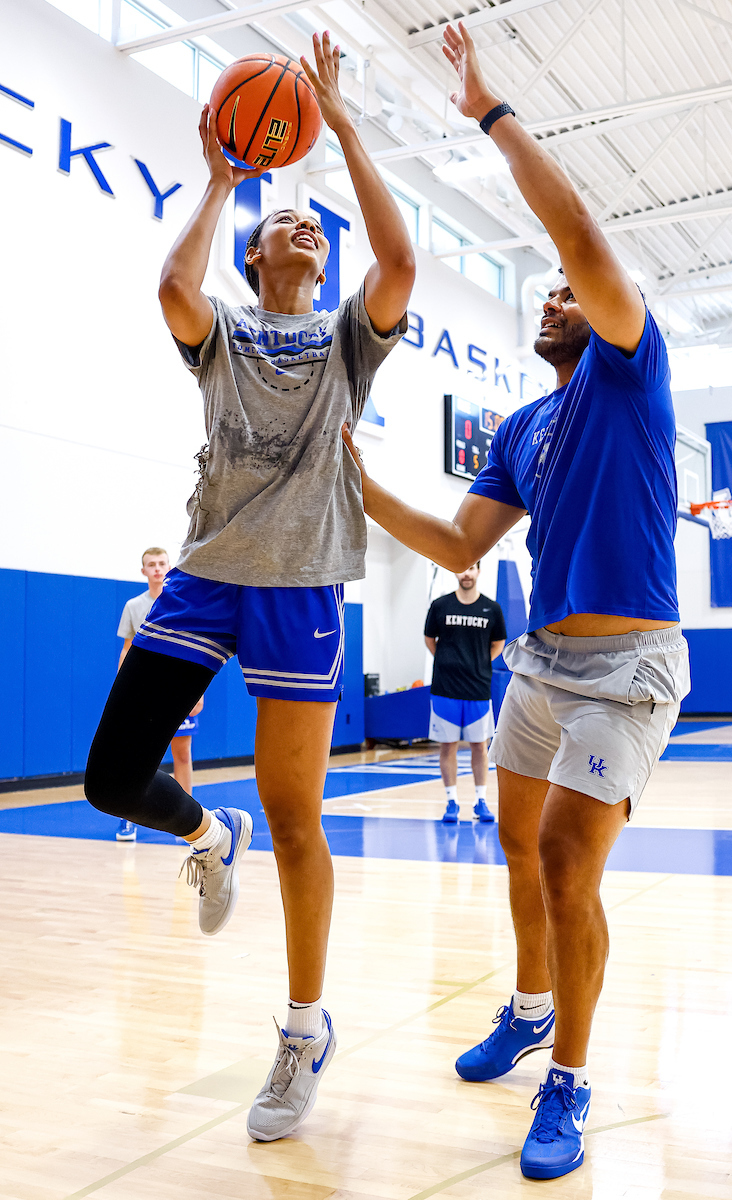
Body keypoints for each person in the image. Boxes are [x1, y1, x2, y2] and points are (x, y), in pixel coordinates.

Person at [341, 22, 689, 1181]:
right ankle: (530, 1008)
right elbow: (454, 538)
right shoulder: (524, 428)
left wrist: (488, 113)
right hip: (536, 666)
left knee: (563, 862)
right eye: (541, 295)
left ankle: (571, 1082)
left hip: (628, 663)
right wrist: (354, 478)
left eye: (565, 293)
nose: (551, 295)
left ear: (600, 310)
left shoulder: (629, 368)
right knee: (515, 852)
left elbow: (577, 234)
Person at [83, 30, 414, 1145]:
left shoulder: (343, 343)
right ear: (259, 252)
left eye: (313, 225)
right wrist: (225, 179)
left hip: (302, 587)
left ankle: (302, 1026)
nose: (304, 226)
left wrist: (347, 126)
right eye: (287, 221)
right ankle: (204, 835)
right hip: (210, 572)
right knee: (108, 776)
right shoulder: (221, 330)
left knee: (298, 817)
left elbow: (401, 266)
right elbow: (172, 283)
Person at [114, 547, 204, 841]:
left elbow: (196, 652)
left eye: (161, 563)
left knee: (182, 754)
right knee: (133, 758)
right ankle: (128, 820)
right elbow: (127, 649)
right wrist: (121, 689)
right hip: (142, 690)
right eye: (151, 565)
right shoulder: (133, 606)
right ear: (144, 571)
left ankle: (187, 821)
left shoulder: (183, 603)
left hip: (177, 690)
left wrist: (198, 692)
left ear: (169, 566)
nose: (156, 568)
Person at [424, 562, 506, 823]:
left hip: (478, 689)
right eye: (463, 569)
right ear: (456, 571)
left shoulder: (492, 609)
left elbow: (499, 643)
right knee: (447, 746)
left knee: (479, 747)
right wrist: (448, 662)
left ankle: (481, 801)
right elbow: (429, 639)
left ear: (479, 571)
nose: (467, 573)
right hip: (445, 689)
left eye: (472, 568)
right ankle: (451, 802)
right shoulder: (440, 605)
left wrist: (478, 664)